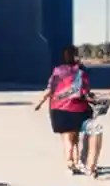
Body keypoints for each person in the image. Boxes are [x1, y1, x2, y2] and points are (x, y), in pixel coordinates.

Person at [34, 45, 94, 175]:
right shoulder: (81, 72)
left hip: (59, 108)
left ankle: (69, 162)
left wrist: (39, 102)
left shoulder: (58, 71)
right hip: (78, 108)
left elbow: (50, 89)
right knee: (76, 137)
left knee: (67, 138)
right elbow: (86, 92)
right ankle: (77, 161)